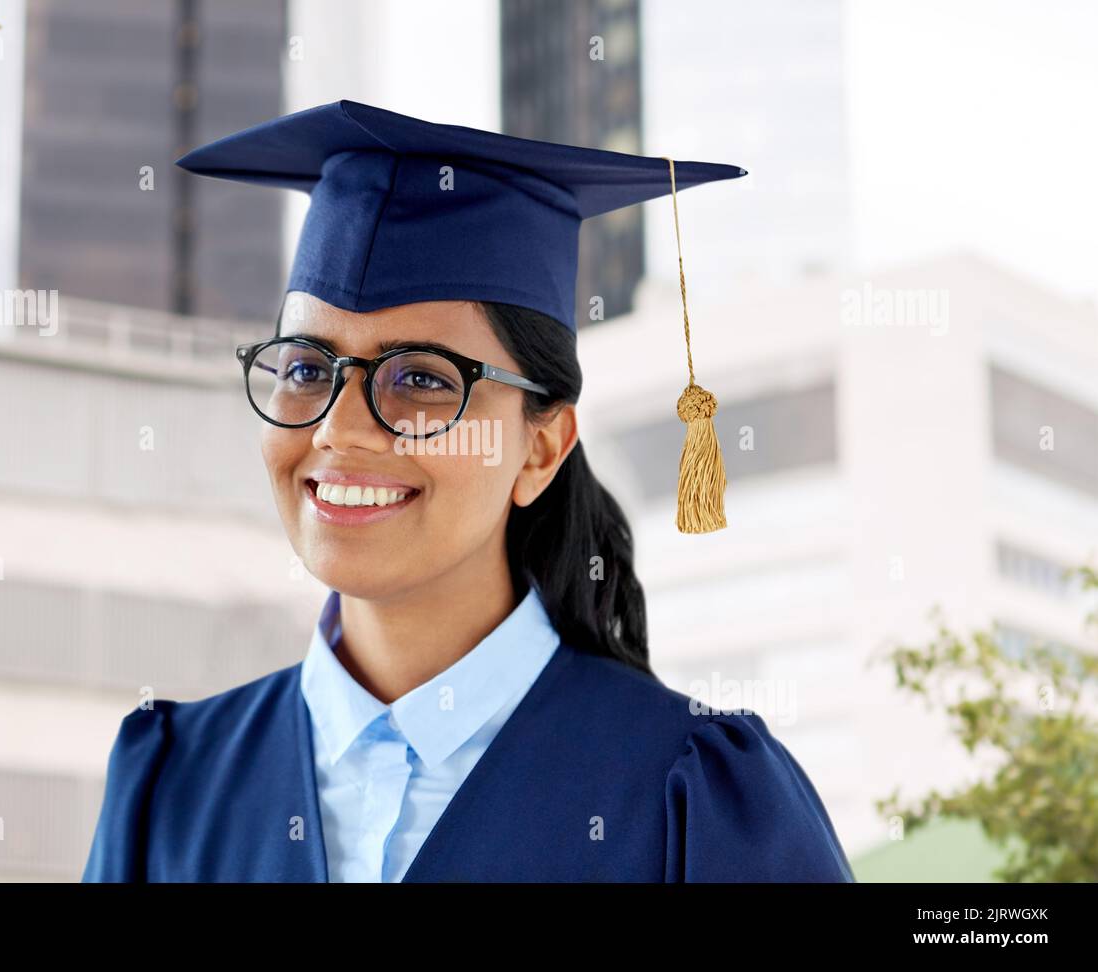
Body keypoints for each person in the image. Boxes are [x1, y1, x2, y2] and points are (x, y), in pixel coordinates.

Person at [81, 100, 855, 882]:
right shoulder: (171, 788)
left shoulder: (689, 796)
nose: (339, 431)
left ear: (541, 448)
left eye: (419, 379)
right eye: (307, 369)